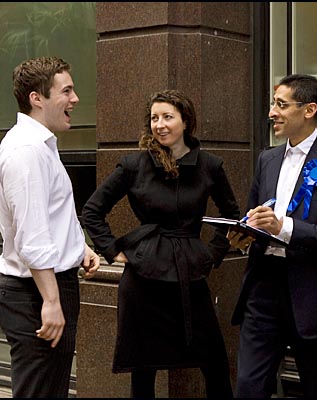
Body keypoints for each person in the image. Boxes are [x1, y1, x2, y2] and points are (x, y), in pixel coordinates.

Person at [82, 89, 239, 398]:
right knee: (144, 368)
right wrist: (113, 251)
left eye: (168, 117)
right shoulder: (133, 165)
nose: (160, 124)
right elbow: (92, 211)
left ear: (186, 121)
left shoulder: (210, 165)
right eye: (154, 118)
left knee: (215, 363)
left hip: (190, 274)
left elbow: (231, 214)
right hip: (144, 278)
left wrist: (212, 254)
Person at [229, 74, 317, 398]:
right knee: (248, 387)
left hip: (315, 293)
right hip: (263, 287)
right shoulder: (267, 159)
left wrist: (283, 228)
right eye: (273, 104)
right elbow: (256, 214)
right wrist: (244, 234)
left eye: (281, 104)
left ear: (309, 109)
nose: (272, 112)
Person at [0, 56, 100, 398]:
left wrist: (78, 248)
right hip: (34, 294)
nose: (75, 98)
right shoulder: (27, 151)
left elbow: (48, 215)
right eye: (66, 90)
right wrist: (51, 301)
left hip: (44, 289)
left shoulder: (41, 145)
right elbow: (32, 236)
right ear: (37, 98)